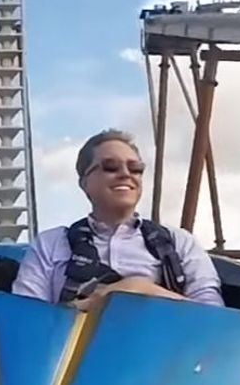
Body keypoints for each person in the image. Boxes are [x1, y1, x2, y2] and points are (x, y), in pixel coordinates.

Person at [12, 129, 222, 311]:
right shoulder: (51, 244)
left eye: (135, 169)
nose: (125, 174)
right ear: (84, 182)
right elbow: (26, 317)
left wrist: (141, 290)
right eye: (111, 167)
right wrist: (90, 305)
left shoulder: (179, 243)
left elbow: (215, 316)